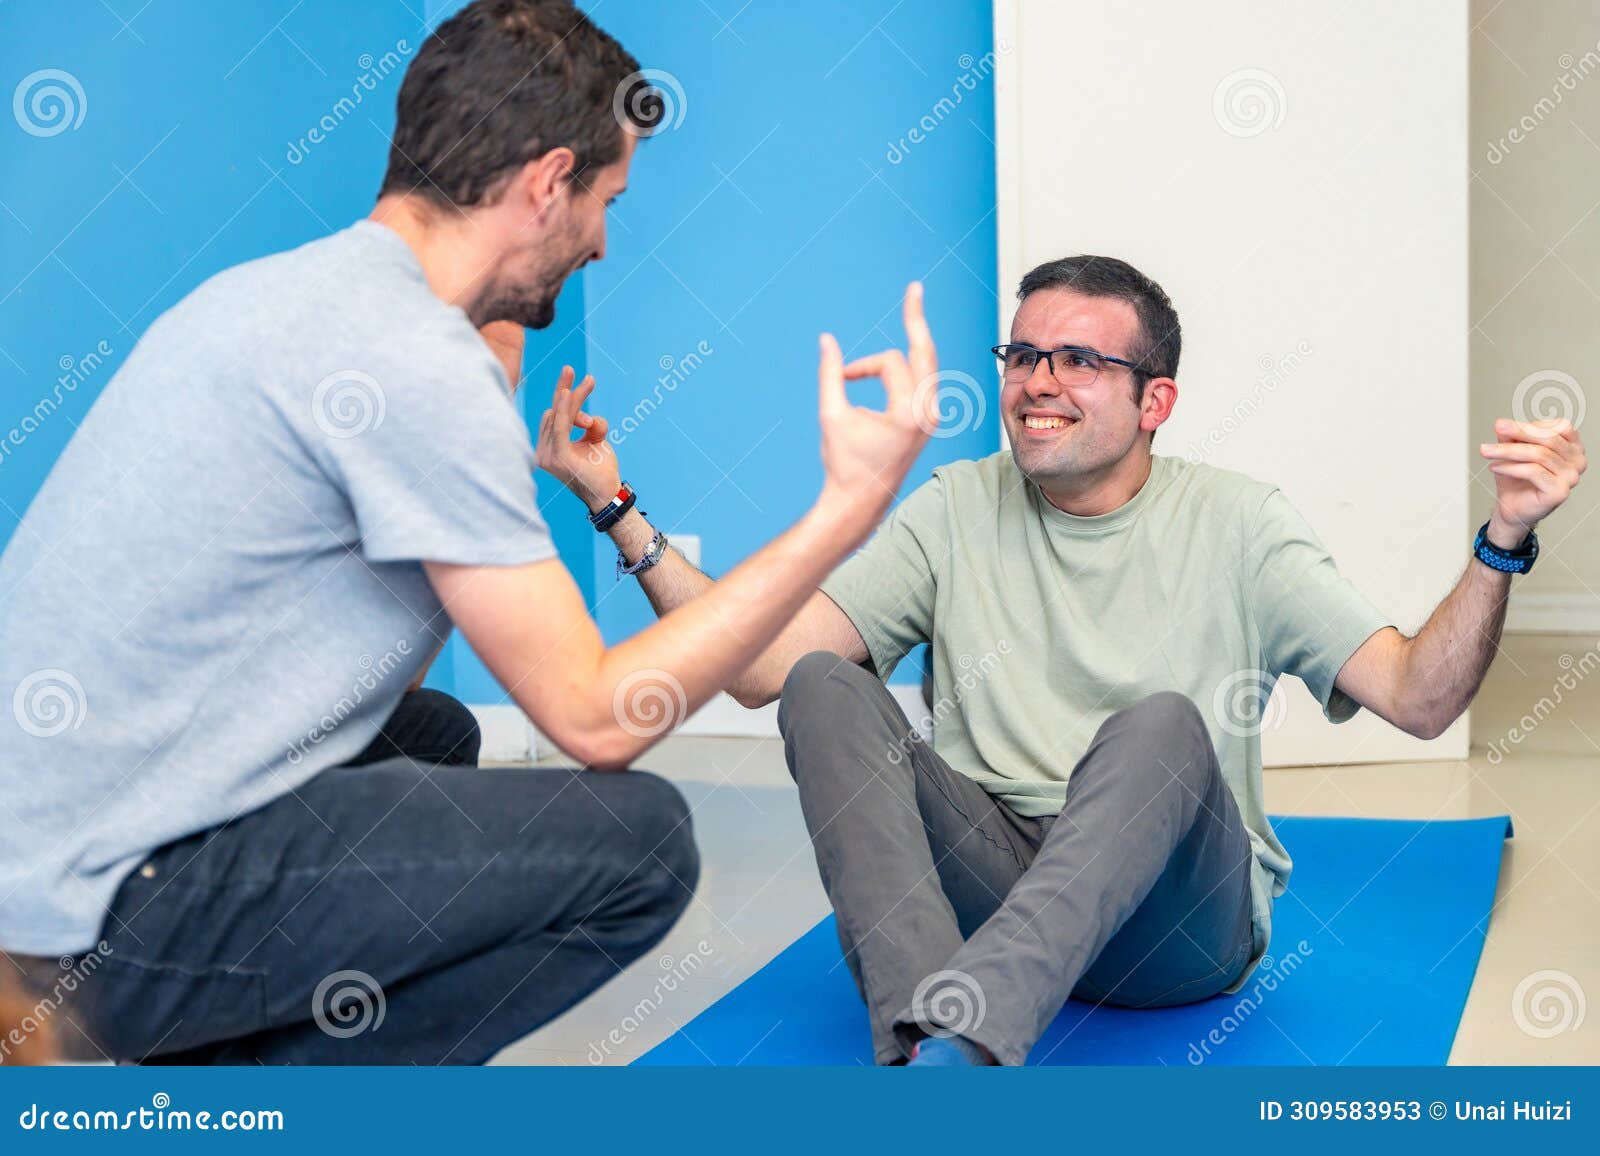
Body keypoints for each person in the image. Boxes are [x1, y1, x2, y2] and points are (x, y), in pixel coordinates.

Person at [0, 0, 939, 1064]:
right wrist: (846, 507)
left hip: (48, 857)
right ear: (547, 183)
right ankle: (245, 1108)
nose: (602, 241)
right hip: (82, 925)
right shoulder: (410, 361)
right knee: (640, 849)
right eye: (605, 202)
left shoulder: (283, 297)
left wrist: (493, 394)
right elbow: (597, 718)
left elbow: (358, 672)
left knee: (434, 735)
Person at [543, 253, 1586, 1066]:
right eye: (1023, 356)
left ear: (1154, 402)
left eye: (1080, 361)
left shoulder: (1240, 522)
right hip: (996, 881)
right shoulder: (957, 506)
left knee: (1162, 726)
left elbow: (1417, 696)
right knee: (823, 684)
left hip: (1173, 930)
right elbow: (760, 669)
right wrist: (616, 506)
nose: (1039, 383)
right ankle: (926, 1043)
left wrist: (1504, 537)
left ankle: (970, 1032)